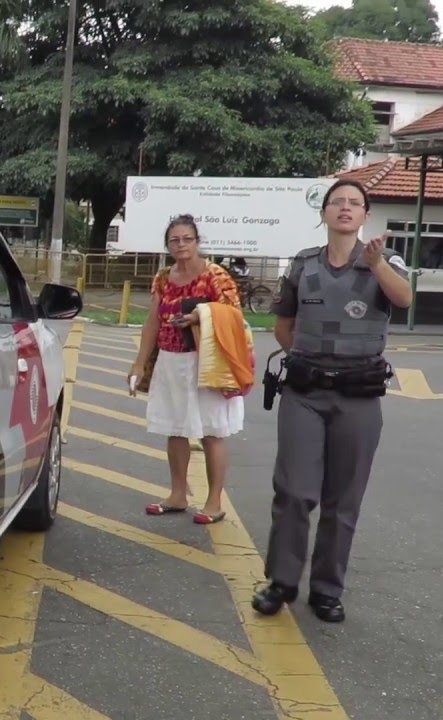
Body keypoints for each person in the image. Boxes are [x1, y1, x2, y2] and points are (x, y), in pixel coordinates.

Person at [251, 178, 412, 623]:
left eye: (354, 203)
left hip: (358, 397)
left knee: (343, 498)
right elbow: (284, 325)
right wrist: (309, 359)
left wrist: (377, 265)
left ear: (364, 215)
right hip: (305, 393)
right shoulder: (303, 265)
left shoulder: (385, 259)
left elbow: (404, 298)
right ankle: (281, 581)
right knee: (294, 492)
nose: (345, 208)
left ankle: (326, 589)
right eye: (337, 202)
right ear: (323, 214)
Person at [128, 215, 245, 525]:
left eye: (186, 239)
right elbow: (153, 320)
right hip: (170, 360)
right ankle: (177, 494)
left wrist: (199, 316)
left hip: (206, 362)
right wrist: (140, 361)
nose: (180, 245)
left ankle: (213, 501)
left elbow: (234, 317)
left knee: (211, 431)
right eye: (174, 240)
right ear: (167, 245)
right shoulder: (163, 278)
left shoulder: (215, 275)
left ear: (197, 241)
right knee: (175, 429)